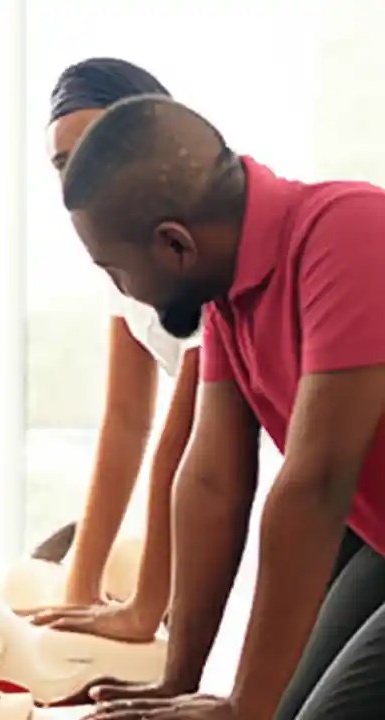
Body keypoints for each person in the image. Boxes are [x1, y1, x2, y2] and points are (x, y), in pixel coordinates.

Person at [62, 95, 385, 719]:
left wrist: (243, 708)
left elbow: (315, 486)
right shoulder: (227, 297)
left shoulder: (351, 233)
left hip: (349, 515)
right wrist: (176, 682)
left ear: (175, 245)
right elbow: (211, 484)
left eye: (116, 270)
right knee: (279, 707)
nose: (120, 291)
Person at [25, 58, 199, 643]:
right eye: (63, 162)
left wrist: (145, 607)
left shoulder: (204, 245)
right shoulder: (119, 264)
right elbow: (126, 422)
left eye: (100, 148)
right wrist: (81, 586)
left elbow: (188, 445)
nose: (82, 177)